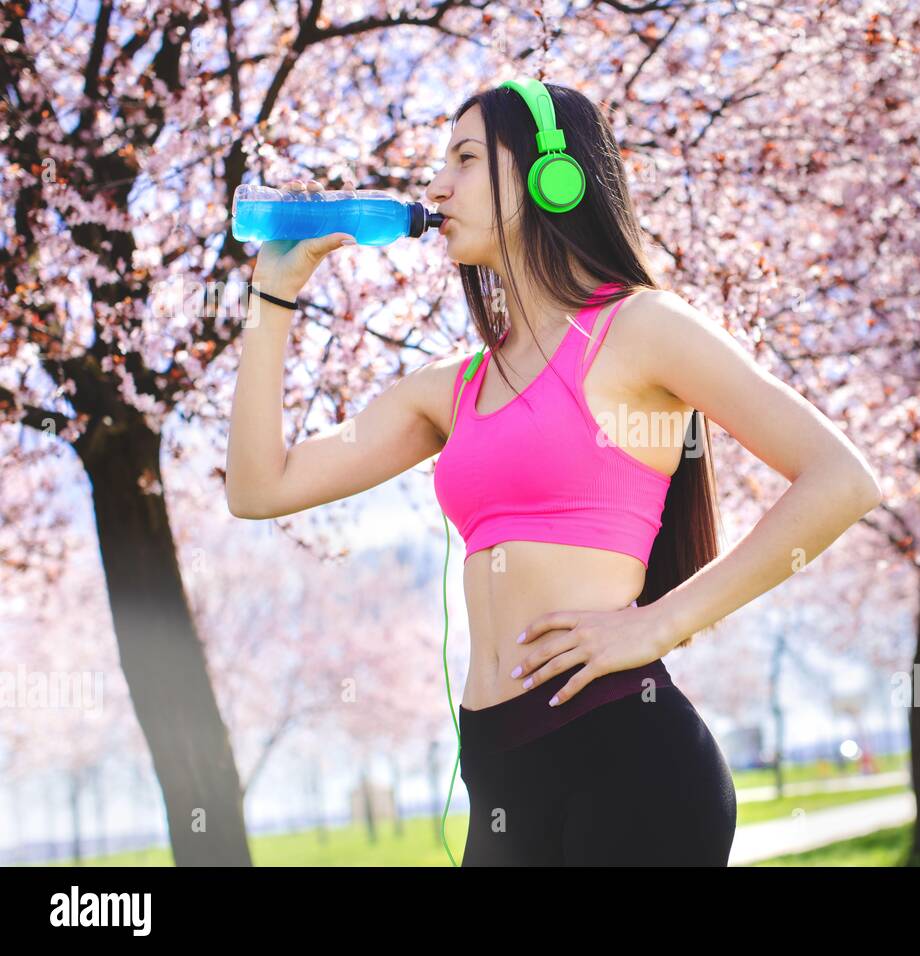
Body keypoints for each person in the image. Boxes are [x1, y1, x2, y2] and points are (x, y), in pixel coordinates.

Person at [224, 79, 882, 866]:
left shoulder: (640, 328)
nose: (435, 186)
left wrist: (659, 622)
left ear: (552, 175)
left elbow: (841, 478)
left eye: (465, 158)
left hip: (625, 756)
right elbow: (258, 488)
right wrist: (272, 296)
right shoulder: (450, 387)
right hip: (499, 772)